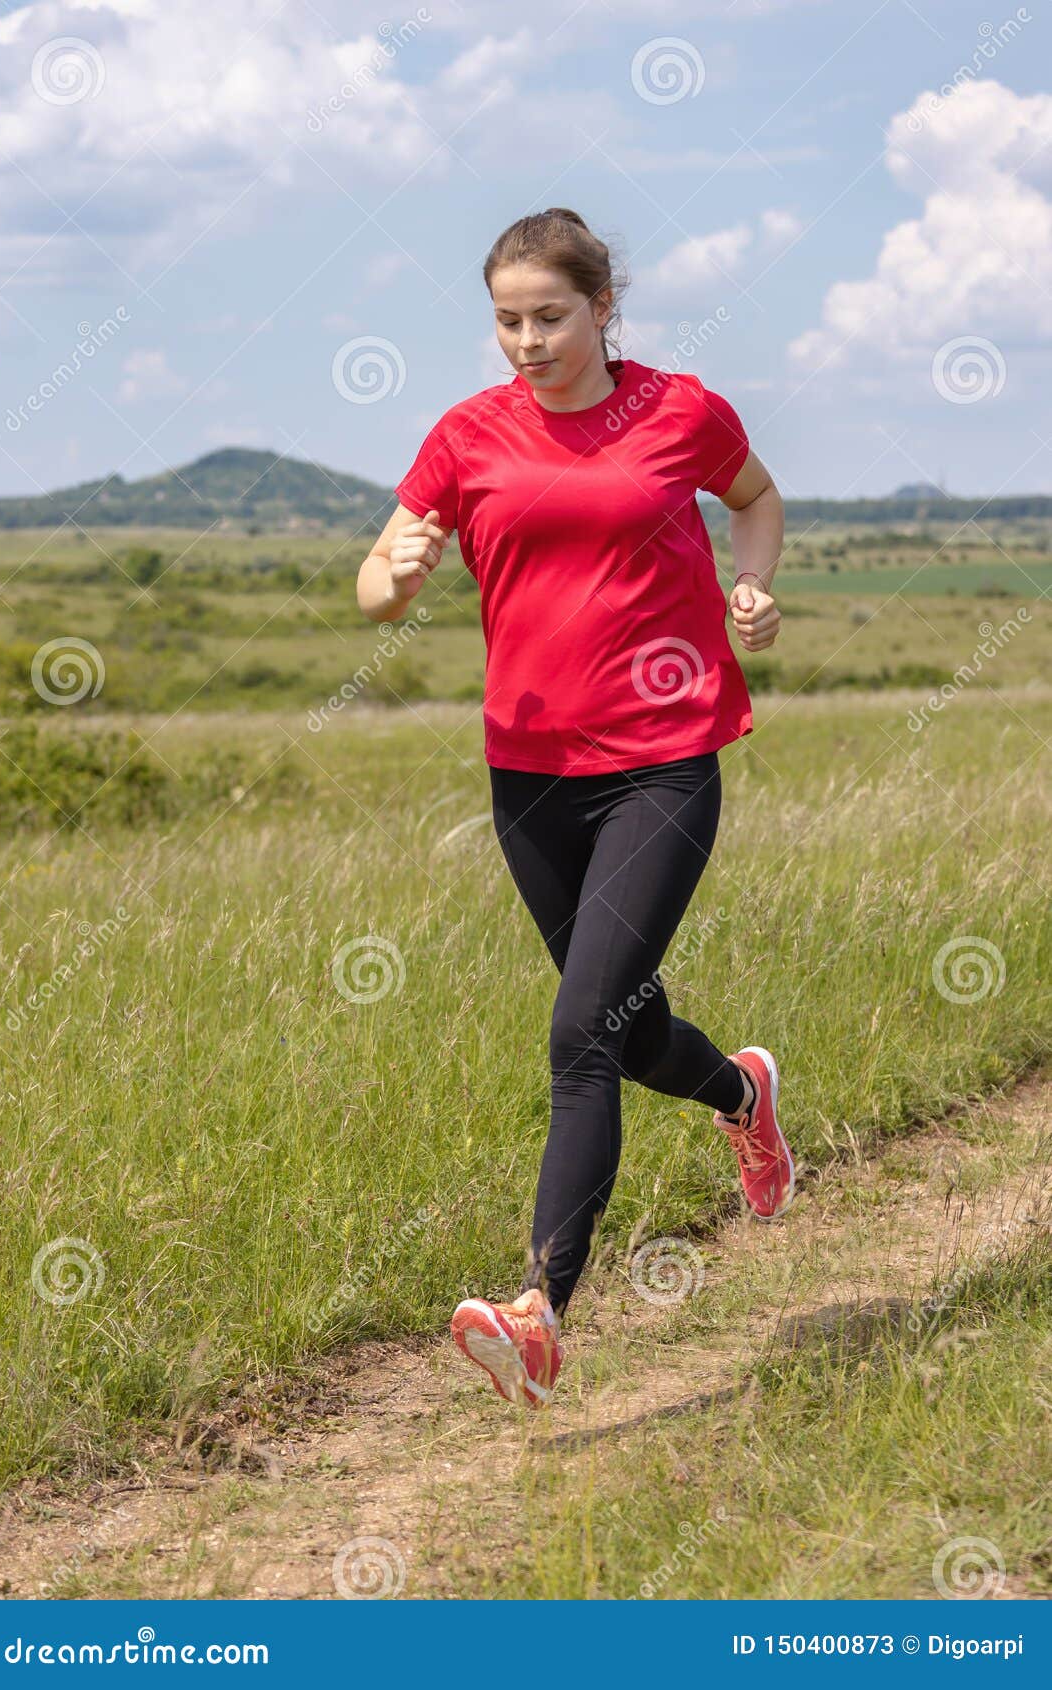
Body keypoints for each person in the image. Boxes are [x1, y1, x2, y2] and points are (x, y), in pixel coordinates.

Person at [356, 207, 794, 1412]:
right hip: (529, 773)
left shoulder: (678, 412)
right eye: (505, 321)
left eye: (549, 316)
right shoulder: (466, 435)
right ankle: (741, 1096)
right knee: (625, 1024)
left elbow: (754, 499)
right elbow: (376, 583)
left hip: (663, 757)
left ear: (604, 308)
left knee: (577, 1035)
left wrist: (750, 588)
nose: (526, 343)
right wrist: (391, 581)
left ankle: (539, 1313)